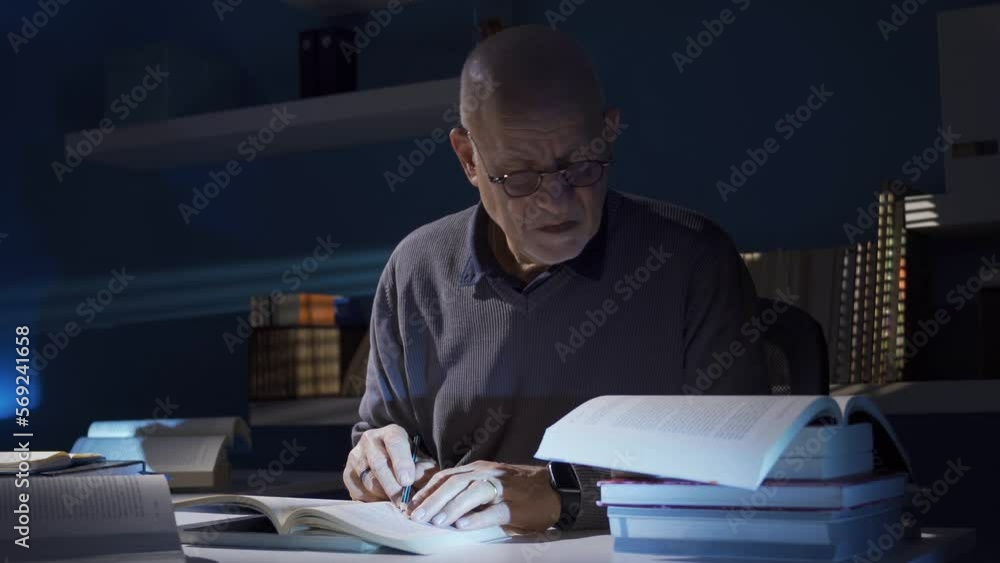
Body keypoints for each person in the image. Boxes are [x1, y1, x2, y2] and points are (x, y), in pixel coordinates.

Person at [345, 25, 768, 532]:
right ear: (469, 159)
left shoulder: (693, 262)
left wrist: (564, 494)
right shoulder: (416, 270)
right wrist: (378, 462)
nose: (555, 200)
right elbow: (383, 436)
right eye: (519, 176)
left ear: (608, 130)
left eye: (580, 165)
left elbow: (744, 473)